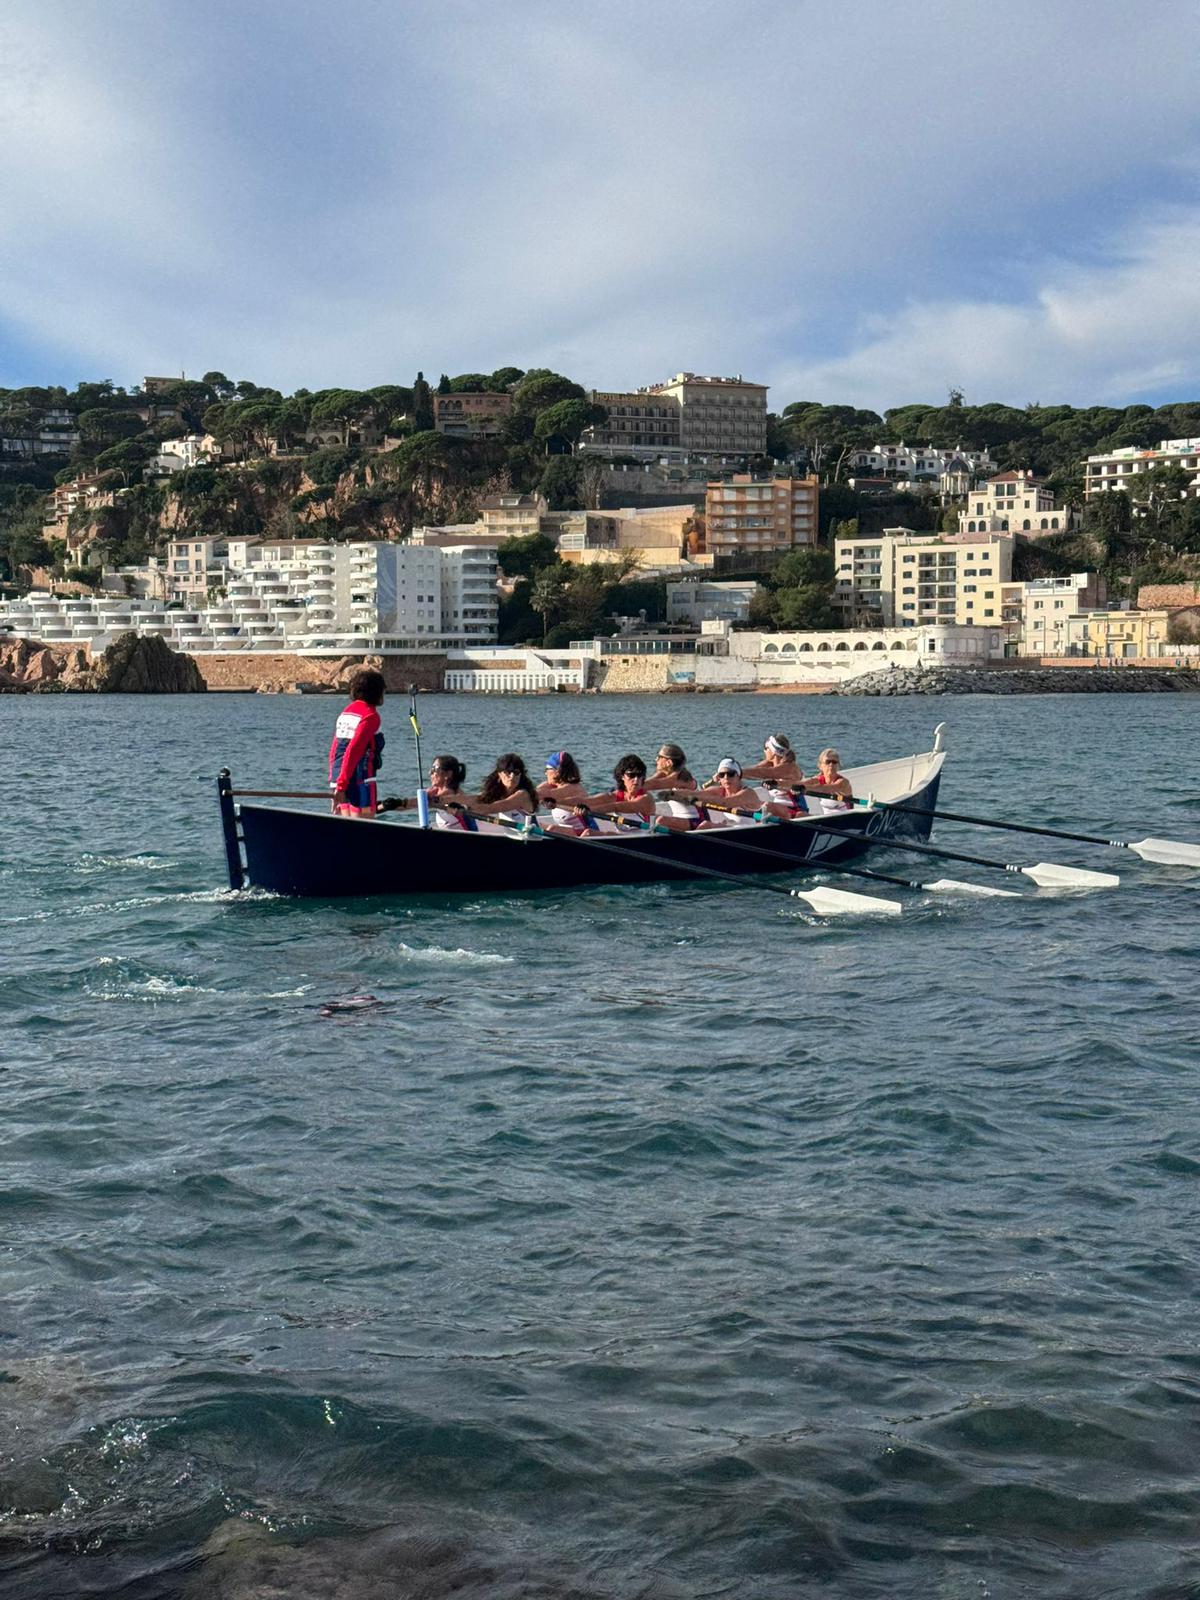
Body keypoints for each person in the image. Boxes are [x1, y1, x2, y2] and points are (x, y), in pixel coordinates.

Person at [329, 668, 385, 817]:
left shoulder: (346, 712)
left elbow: (335, 749)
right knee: (364, 825)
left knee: (345, 824)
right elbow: (354, 750)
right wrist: (342, 786)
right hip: (360, 778)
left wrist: (335, 781)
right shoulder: (370, 716)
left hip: (338, 775)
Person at [659, 758, 760, 829]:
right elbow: (697, 794)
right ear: (719, 778)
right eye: (722, 775)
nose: (726, 778)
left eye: (730, 774)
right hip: (729, 828)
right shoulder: (719, 790)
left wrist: (695, 799)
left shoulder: (748, 793)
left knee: (706, 825)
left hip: (747, 831)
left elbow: (724, 803)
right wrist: (673, 794)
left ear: (738, 776)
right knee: (660, 820)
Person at [802, 747, 854, 812]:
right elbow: (803, 783)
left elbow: (827, 788)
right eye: (828, 762)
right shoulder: (817, 779)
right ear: (820, 766)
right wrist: (794, 786)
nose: (831, 764)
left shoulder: (843, 782)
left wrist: (804, 788)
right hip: (827, 816)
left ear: (838, 766)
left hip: (846, 816)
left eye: (834, 762)